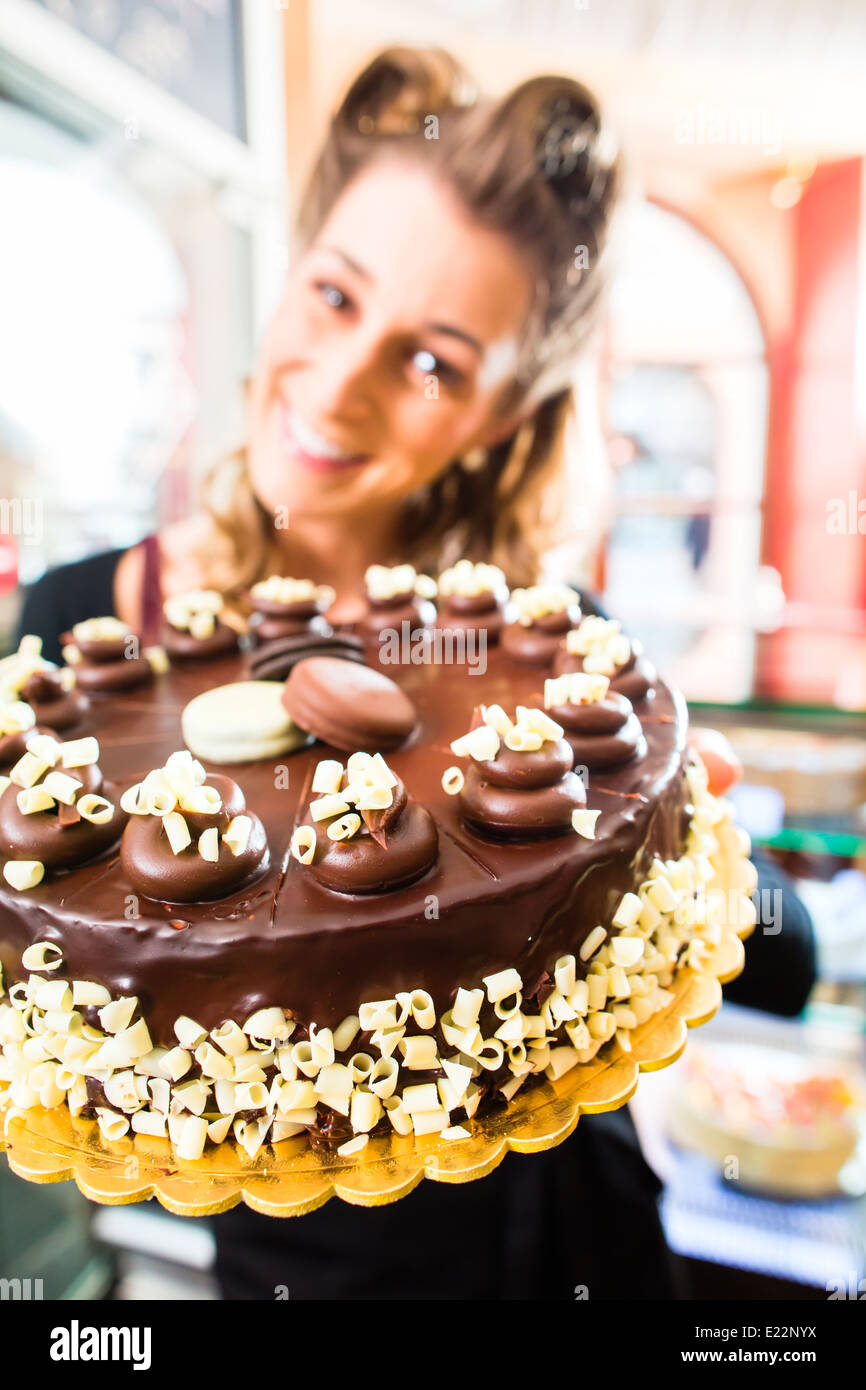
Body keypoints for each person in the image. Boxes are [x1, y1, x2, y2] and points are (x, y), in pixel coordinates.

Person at [18, 48, 814, 1300]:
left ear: (502, 417)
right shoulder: (79, 632)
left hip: (587, 1251)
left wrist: (698, 833)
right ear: (288, 278)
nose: (340, 388)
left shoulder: (554, 649)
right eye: (334, 297)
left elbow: (788, 954)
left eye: (434, 361)